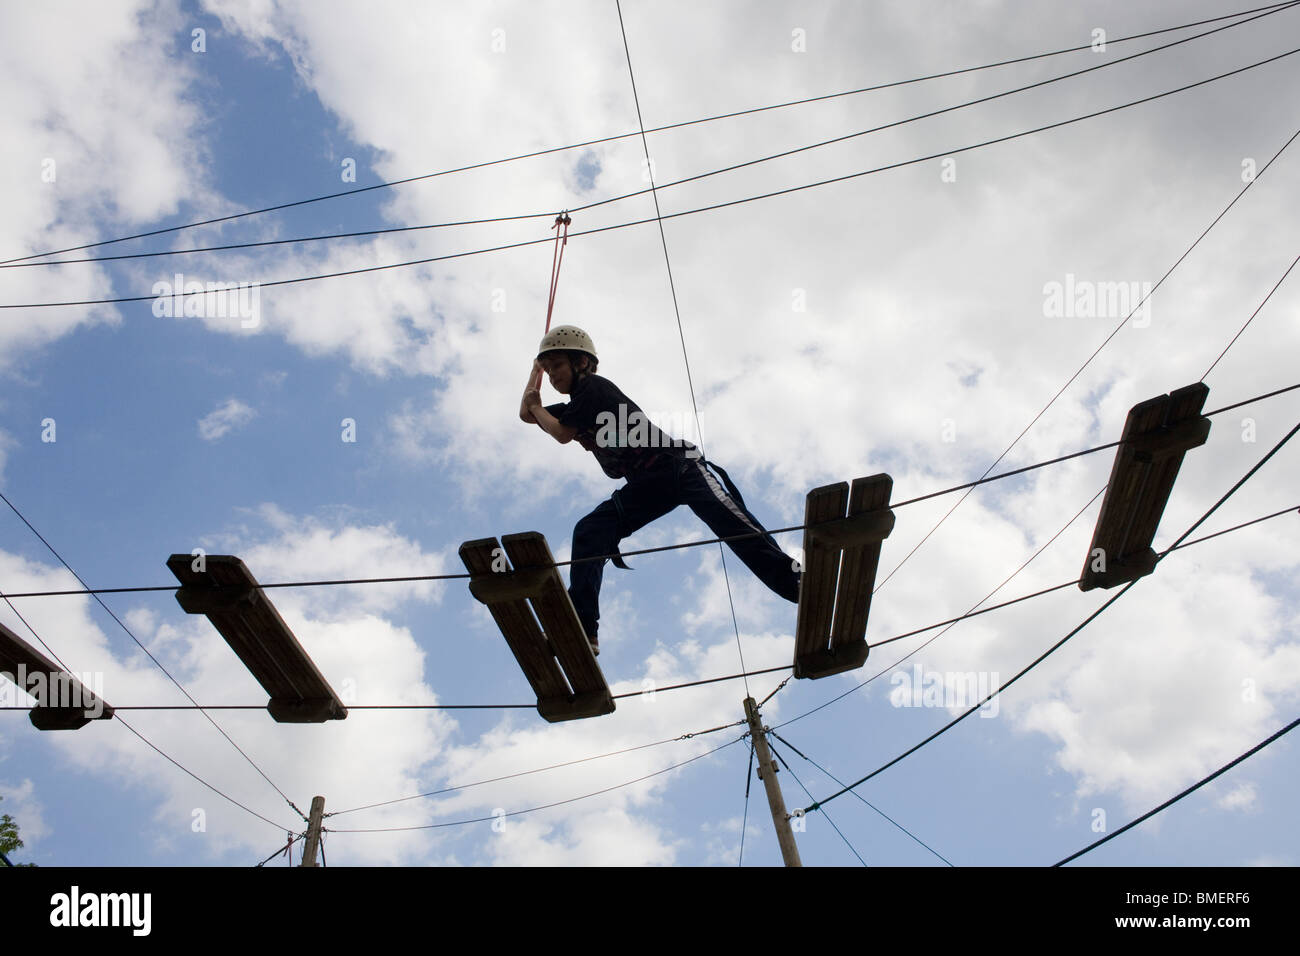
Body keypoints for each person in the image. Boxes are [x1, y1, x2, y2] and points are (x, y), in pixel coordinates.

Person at [519, 325, 800, 655]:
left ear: (581, 363)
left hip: (679, 469)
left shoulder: (593, 389)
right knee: (590, 531)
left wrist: (537, 406)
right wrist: (535, 372)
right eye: (549, 370)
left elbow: (559, 432)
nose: (553, 376)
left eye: (558, 367)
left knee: (735, 526)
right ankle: (583, 626)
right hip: (647, 486)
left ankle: (798, 584)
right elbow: (527, 414)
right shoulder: (572, 408)